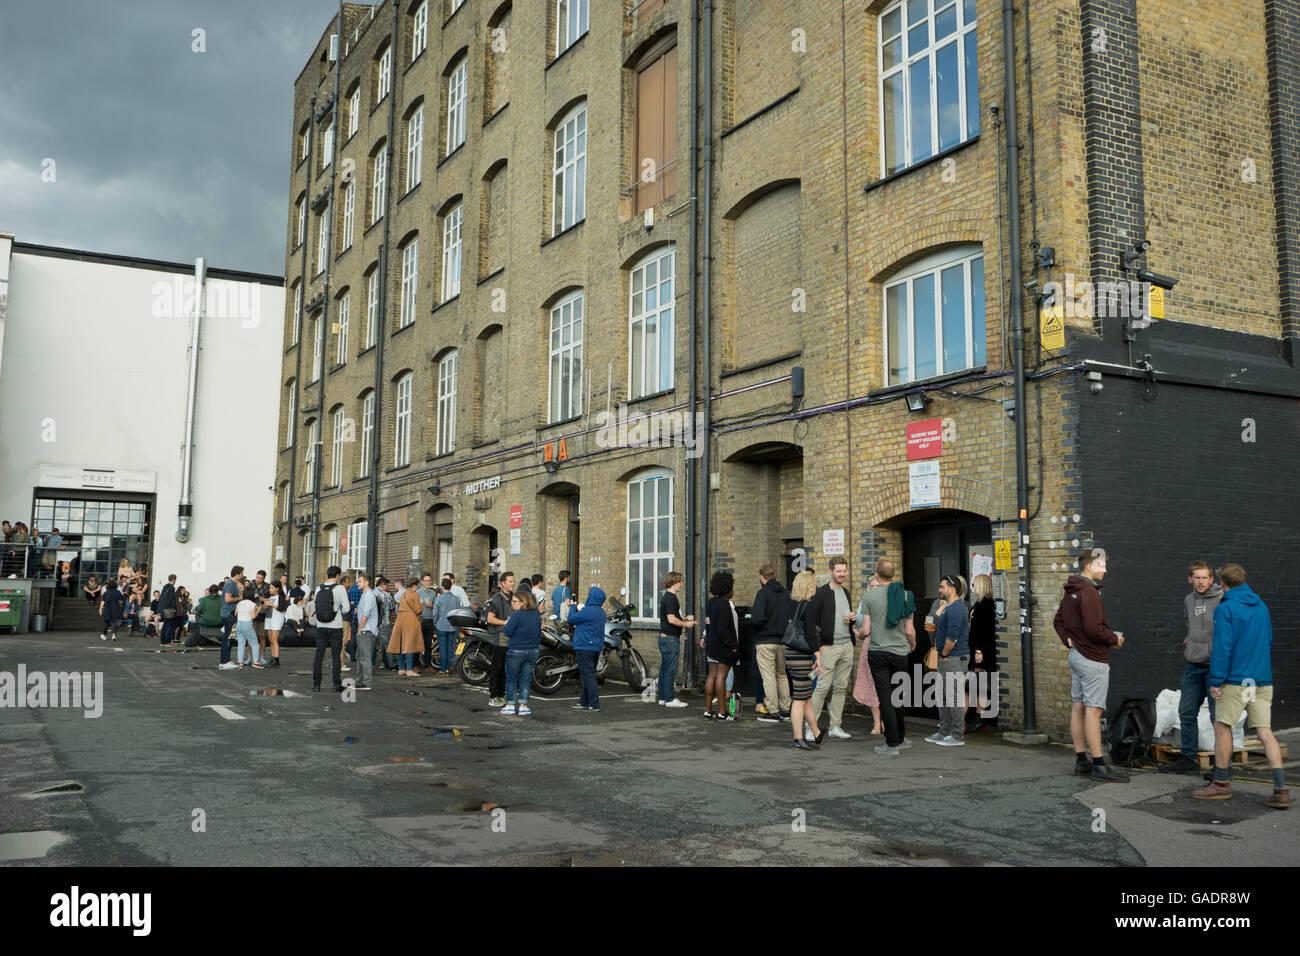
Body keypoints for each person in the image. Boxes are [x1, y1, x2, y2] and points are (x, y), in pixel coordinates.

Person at [1192, 564, 1289, 808]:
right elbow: (1268, 639)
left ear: (1222, 584)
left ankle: (1220, 784)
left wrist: (1216, 680)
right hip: (1261, 679)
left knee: (1222, 726)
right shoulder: (1261, 606)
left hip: (1236, 680)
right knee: (1265, 732)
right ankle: (1280, 790)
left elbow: (1223, 647)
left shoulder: (1226, 608)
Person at [1053, 546, 1128, 782]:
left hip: (1076, 656)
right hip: (1093, 658)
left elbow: (1058, 621)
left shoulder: (1071, 591)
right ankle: (1098, 764)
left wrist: (1068, 640)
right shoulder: (1088, 592)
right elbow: (1095, 629)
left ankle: (1081, 760)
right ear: (1090, 566)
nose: (1105, 570)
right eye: (1102, 565)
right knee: (1094, 711)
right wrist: (1114, 639)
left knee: (1078, 707)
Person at [1157, 560, 1222, 774]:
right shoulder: (1188, 600)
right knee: (1186, 712)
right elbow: (1190, 624)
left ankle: (1221, 765)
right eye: (1197, 577)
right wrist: (1191, 639)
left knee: (1217, 717)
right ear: (1190, 579)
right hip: (1193, 665)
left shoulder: (1222, 599)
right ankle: (1188, 759)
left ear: (1211, 579)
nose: (1201, 581)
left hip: (1214, 667)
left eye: (1205, 577)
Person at [861, 558, 917, 755]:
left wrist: (857, 633)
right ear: (893, 574)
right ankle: (900, 738)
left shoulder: (869, 597)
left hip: (878, 652)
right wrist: (912, 645)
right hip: (900, 652)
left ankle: (891, 743)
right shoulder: (905, 595)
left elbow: (866, 630)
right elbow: (909, 630)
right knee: (899, 695)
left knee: (885, 697)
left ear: (877, 573)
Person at [805, 557, 855, 741]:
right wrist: (818, 646)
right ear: (831, 571)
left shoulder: (847, 593)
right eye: (838, 571)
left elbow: (842, 619)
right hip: (828, 648)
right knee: (822, 687)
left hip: (846, 646)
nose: (842, 574)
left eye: (844, 571)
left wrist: (851, 620)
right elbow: (810, 623)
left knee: (841, 687)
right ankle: (810, 727)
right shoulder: (821, 593)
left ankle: (835, 726)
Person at [926, 574, 970, 747]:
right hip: (948, 659)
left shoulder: (956, 609)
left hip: (954, 658)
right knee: (943, 696)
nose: (939, 590)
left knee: (953, 698)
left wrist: (943, 653)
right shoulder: (949, 607)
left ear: (952, 589)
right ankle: (944, 731)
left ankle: (957, 735)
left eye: (942, 587)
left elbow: (953, 637)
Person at [785, 570, 824, 750]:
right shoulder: (808, 606)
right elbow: (810, 632)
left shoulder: (795, 605)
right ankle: (798, 737)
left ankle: (816, 732)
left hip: (792, 653)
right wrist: (817, 654)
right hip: (801, 655)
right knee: (799, 699)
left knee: (806, 695)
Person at [750, 564, 792, 724]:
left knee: (768, 676)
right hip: (783, 641)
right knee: (781, 675)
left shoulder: (763, 593)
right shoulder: (785, 593)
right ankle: (786, 710)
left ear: (762, 577)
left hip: (765, 640)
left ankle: (773, 711)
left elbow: (757, 618)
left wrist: (757, 628)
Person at [702, 571, 740, 720]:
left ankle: (708, 710)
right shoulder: (725, 604)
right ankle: (722, 712)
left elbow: (709, 624)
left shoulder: (710, 602)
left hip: (711, 643)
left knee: (711, 676)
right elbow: (724, 629)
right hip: (723, 645)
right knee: (721, 678)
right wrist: (733, 646)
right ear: (727, 587)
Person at [656, 571, 694, 708]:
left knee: (664, 668)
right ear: (674, 582)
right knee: (671, 669)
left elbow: (671, 617)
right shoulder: (671, 598)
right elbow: (671, 619)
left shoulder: (666, 597)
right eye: (680, 582)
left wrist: (683, 619)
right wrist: (686, 624)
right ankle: (670, 699)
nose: (682, 584)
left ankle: (662, 697)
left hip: (664, 637)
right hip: (671, 638)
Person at [851, 573, 883, 735]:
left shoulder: (890, 601)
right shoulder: (866, 601)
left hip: (884, 644)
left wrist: (858, 633)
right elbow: (860, 621)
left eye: (877, 585)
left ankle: (885, 721)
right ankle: (877, 723)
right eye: (872, 585)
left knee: (885, 684)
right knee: (872, 684)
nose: (874, 588)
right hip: (870, 644)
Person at [966, 573, 998, 731]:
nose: (973, 589)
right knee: (977, 682)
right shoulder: (979, 603)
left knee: (981, 682)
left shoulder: (986, 605)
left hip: (982, 651)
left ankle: (980, 715)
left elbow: (983, 630)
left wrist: (979, 650)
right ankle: (977, 715)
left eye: (975, 585)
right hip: (976, 649)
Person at [502, 588, 542, 715]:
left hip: (516, 650)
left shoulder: (517, 615)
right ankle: (523, 705)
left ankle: (510, 704)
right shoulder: (536, 616)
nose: (512, 603)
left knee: (511, 679)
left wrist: (508, 623)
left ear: (523, 602)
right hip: (532, 650)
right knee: (526, 679)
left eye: (515, 601)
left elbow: (507, 632)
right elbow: (539, 634)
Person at [568, 586, 607, 711]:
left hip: (584, 646)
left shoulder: (587, 611)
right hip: (595, 647)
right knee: (588, 675)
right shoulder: (601, 613)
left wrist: (573, 606)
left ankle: (594, 704)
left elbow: (571, 619)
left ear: (592, 597)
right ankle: (584, 701)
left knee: (588, 676)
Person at [312, 565, 350, 692]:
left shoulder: (318, 588)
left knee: (319, 655)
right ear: (338, 575)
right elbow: (346, 608)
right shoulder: (340, 589)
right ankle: (336, 684)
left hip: (321, 625)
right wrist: (337, 608)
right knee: (336, 655)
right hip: (335, 626)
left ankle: (316, 685)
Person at [484, 572, 516, 707]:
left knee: (506, 668)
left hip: (512, 638)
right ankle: (494, 695)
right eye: (510, 581)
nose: (513, 583)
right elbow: (490, 619)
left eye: (513, 581)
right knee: (497, 668)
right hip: (499, 638)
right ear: (502, 583)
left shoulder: (514, 598)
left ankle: (502, 694)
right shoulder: (496, 599)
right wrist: (506, 623)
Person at [388, 577, 424, 676]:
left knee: (401, 645)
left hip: (400, 619)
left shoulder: (402, 595)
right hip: (411, 620)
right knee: (410, 645)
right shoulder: (415, 595)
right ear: (415, 585)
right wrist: (422, 604)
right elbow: (418, 610)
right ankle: (409, 670)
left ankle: (401, 669)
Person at [353, 574, 378, 691]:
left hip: (366, 631)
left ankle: (366, 683)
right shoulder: (364, 594)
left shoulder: (368, 595)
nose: (358, 583)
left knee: (365, 658)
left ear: (367, 582)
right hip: (365, 630)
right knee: (360, 657)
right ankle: (358, 682)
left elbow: (365, 615)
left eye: (360, 581)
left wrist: (359, 629)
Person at [433, 576, 461, 676]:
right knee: (451, 648)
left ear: (442, 587)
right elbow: (458, 613)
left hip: (441, 626)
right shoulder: (456, 599)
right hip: (453, 627)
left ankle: (443, 669)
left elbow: (435, 613)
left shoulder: (439, 598)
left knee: (443, 648)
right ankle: (449, 668)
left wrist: (435, 624)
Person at [218, 566, 244, 670]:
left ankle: (226, 660)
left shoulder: (232, 584)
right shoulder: (230, 584)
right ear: (237, 574)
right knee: (228, 638)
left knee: (229, 638)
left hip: (228, 613)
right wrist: (240, 598)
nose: (242, 576)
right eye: (241, 574)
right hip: (228, 614)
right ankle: (224, 661)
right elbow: (227, 599)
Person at [234, 586, 265, 668]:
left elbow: (235, 614)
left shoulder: (239, 603)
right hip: (247, 624)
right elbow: (253, 617)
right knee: (255, 643)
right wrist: (258, 609)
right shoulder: (252, 604)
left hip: (239, 624)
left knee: (241, 644)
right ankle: (255, 662)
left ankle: (240, 663)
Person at [375, 577, 398, 670]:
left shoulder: (370, 593)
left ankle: (382, 663)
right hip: (384, 622)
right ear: (382, 585)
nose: (387, 587)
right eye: (386, 585)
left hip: (373, 623)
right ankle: (392, 664)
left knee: (378, 645)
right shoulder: (386, 595)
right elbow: (392, 606)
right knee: (388, 644)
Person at [417, 573, 439, 670]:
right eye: (426, 580)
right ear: (422, 581)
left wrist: (432, 606)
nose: (428, 582)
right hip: (420, 621)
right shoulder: (417, 592)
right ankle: (415, 665)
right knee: (417, 644)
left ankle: (428, 665)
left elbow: (437, 608)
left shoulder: (433, 593)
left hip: (430, 621)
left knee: (428, 644)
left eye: (429, 580)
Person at [264, 580, 286, 667]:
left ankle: (277, 659)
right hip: (269, 618)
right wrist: (265, 605)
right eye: (270, 588)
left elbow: (281, 608)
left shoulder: (280, 597)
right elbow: (265, 607)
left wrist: (271, 604)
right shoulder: (269, 597)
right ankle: (273, 657)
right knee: (270, 640)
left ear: (277, 588)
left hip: (276, 619)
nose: (270, 590)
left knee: (274, 639)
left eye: (272, 588)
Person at [158, 574, 180, 646]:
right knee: (169, 626)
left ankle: (162, 642)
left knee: (165, 625)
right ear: (174, 579)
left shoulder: (165, 587)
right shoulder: (171, 588)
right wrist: (175, 608)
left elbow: (161, 599)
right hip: (169, 609)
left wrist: (160, 610)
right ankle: (168, 642)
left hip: (163, 609)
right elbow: (172, 600)